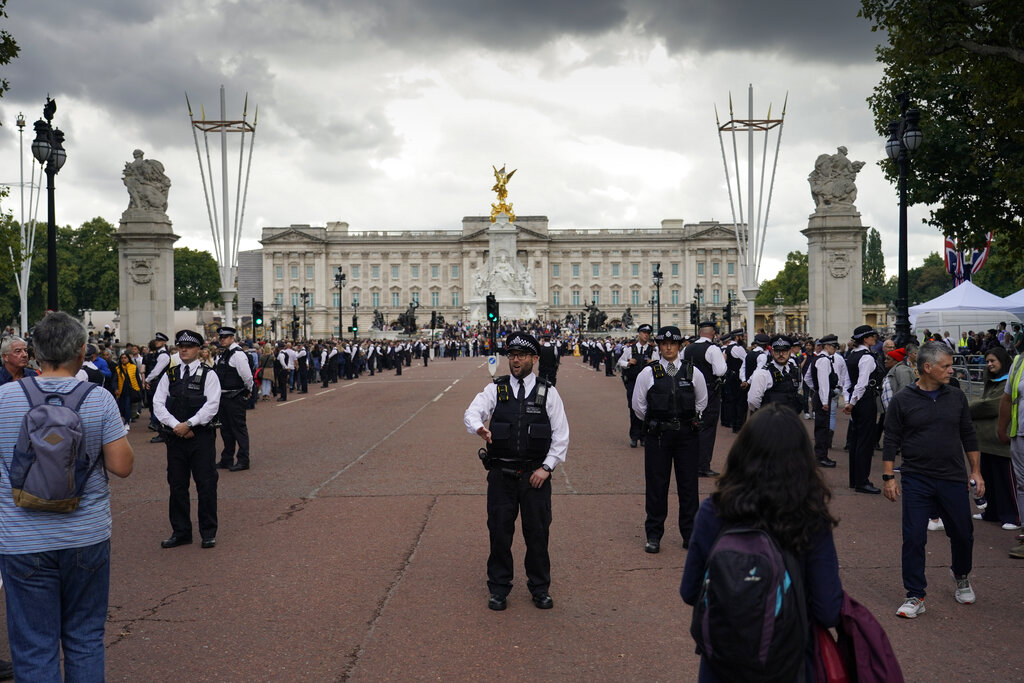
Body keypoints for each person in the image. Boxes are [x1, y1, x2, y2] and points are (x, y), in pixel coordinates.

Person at [0, 311, 134, 680]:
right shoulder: (98, 398)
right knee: (85, 636)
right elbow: (122, 466)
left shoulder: (4, 398)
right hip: (85, 534)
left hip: (22, 537)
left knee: (34, 645)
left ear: (35, 352)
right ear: (80, 350)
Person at [680, 403, 842, 683]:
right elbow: (827, 610)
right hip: (788, 663)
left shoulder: (714, 510)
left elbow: (689, 590)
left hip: (721, 663)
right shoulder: (810, 516)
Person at [463, 331, 569, 611]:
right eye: (511, 355)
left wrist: (546, 468)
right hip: (502, 475)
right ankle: (498, 588)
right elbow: (472, 412)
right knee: (499, 534)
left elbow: (561, 435)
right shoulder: (495, 389)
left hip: (535, 477)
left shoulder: (548, 392)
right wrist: (479, 428)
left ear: (534, 359)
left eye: (521, 355)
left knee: (537, 535)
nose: (515, 360)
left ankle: (540, 588)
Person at [883, 342, 982, 618]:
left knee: (962, 533)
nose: (952, 370)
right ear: (927, 367)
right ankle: (915, 594)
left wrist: (976, 471)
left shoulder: (956, 396)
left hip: (952, 477)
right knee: (914, 537)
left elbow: (968, 434)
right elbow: (891, 439)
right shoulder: (903, 399)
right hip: (916, 478)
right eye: (946, 366)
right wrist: (888, 477)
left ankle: (961, 574)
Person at [632, 326, 709, 553]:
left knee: (688, 486)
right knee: (657, 486)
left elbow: (701, 402)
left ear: (679, 346)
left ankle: (690, 534)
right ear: (658, 346)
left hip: (687, 435)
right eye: (664, 344)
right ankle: (654, 535)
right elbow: (638, 406)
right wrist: (658, 421)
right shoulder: (648, 373)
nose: (668, 348)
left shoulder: (693, 372)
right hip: (658, 435)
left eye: (672, 344)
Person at [152, 330, 222, 549]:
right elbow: (158, 403)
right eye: (181, 346)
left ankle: (208, 532)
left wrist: (190, 424)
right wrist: (177, 426)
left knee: (206, 484)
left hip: (201, 438)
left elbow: (212, 405)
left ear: (199, 350)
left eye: (189, 347)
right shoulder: (170, 375)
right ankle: (181, 532)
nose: (184, 350)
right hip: (176, 438)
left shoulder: (209, 374)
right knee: (177, 486)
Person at [969, 348, 1019, 530]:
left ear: (1002, 361)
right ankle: (991, 512)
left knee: (1006, 482)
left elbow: (990, 406)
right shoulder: (991, 381)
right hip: (987, 441)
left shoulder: (1008, 381)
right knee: (989, 480)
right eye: (987, 361)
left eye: (993, 361)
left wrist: (965, 408)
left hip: (1002, 441)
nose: (989, 364)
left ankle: (1013, 516)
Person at [844, 325, 884, 494]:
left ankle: (854, 479)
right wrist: (852, 402)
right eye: (872, 336)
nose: (875, 338)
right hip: (865, 400)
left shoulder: (852, 355)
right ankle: (862, 481)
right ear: (865, 339)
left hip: (856, 401)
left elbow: (847, 381)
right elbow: (862, 384)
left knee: (855, 440)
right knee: (865, 442)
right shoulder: (867, 357)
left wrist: (848, 400)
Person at [683, 321, 726, 477]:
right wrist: (724, 360)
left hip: (689, 390)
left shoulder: (688, 348)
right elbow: (720, 371)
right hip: (709, 391)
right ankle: (703, 465)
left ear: (699, 332)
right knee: (707, 427)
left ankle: (690, 461)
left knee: (691, 426)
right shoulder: (713, 349)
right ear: (713, 333)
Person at [214, 327, 254, 472]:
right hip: (223, 396)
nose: (222, 340)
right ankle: (227, 459)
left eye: (225, 337)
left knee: (238, 429)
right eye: (221, 338)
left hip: (235, 396)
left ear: (232, 338)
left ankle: (243, 460)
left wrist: (248, 390)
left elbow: (247, 376)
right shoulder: (224, 354)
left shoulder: (238, 354)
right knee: (225, 430)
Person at [998, 347, 1024, 558]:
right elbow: (1007, 398)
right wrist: (1001, 427)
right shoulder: (1018, 362)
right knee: (1022, 487)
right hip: (1020, 436)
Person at [806, 334, 846, 468]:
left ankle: (821, 455)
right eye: (834, 346)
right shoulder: (824, 360)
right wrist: (824, 400)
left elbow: (807, 378)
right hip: (823, 397)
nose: (835, 349)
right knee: (822, 428)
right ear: (827, 346)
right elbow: (824, 382)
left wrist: (816, 389)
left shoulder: (818, 359)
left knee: (821, 427)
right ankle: (821, 456)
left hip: (819, 395)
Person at [617, 323, 659, 448]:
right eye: (644, 333)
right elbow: (620, 361)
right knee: (634, 409)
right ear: (639, 334)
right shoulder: (630, 349)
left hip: (647, 384)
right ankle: (634, 436)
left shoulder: (653, 350)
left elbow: (659, 365)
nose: (646, 335)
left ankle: (644, 436)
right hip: (633, 383)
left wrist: (653, 362)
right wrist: (628, 363)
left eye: (648, 333)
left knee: (647, 409)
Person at [746, 335, 803, 415]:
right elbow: (753, 401)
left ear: (790, 351)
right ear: (772, 352)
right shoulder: (763, 373)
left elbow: (798, 390)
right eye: (777, 351)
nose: (781, 354)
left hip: (790, 418)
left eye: (784, 351)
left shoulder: (795, 370)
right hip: (770, 418)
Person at [719, 329, 747, 433]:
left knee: (732, 401)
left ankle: (732, 423)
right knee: (740, 403)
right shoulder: (738, 348)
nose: (743, 338)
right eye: (741, 336)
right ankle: (739, 425)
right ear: (737, 337)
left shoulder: (727, 348)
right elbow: (746, 360)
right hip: (737, 378)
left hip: (730, 377)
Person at [114, 351, 144, 428]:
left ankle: (127, 422)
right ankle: (126, 418)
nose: (123, 359)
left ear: (128, 359)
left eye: (125, 358)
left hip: (131, 390)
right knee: (121, 407)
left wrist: (140, 389)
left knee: (128, 406)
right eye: (122, 358)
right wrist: (116, 388)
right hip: (121, 390)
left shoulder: (133, 367)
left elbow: (137, 379)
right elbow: (115, 380)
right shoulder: (118, 369)